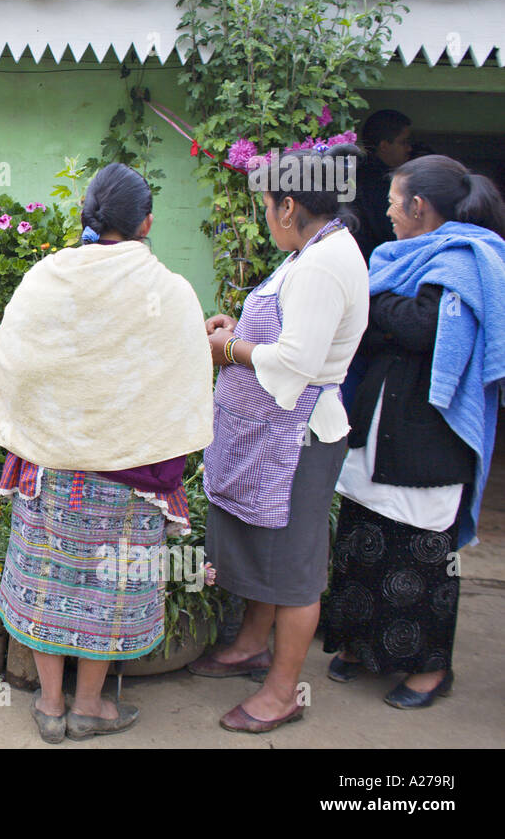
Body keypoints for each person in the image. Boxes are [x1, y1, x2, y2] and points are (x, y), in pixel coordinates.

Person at [0, 164, 214, 743]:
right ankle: (91, 704)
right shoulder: (170, 292)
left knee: (49, 580)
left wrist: (49, 424)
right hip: (129, 474)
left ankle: (51, 704)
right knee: (105, 589)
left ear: (86, 214)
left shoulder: (47, 277)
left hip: (52, 469)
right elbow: (181, 375)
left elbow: (10, 358)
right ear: (146, 222)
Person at [194, 144, 370, 733]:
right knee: (269, 548)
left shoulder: (322, 265)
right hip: (277, 433)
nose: (263, 218)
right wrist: (238, 327)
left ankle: (282, 692)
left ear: (289, 206)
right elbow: (289, 329)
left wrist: (229, 349)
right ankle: (251, 644)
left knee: (294, 570)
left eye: (266, 206)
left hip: (300, 437)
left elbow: (295, 362)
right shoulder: (312, 252)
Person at [325, 155, 505, 708]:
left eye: (393, 201)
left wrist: (371, 301)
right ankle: (361, 647)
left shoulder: (466, 260)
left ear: (418, 206)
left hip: (429, 435)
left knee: (419, 554)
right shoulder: (399, 258)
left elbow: (426, 328)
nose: (387, 212)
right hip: (380, 424)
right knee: (362, 540)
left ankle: (429, 670)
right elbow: (387, 330)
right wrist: (383, 316)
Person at [350, 111, 413, 263]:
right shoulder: (378, 182)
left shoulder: (357, 173)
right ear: (384, 146)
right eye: (403, 142)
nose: (409, 148)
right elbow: (387, 230)